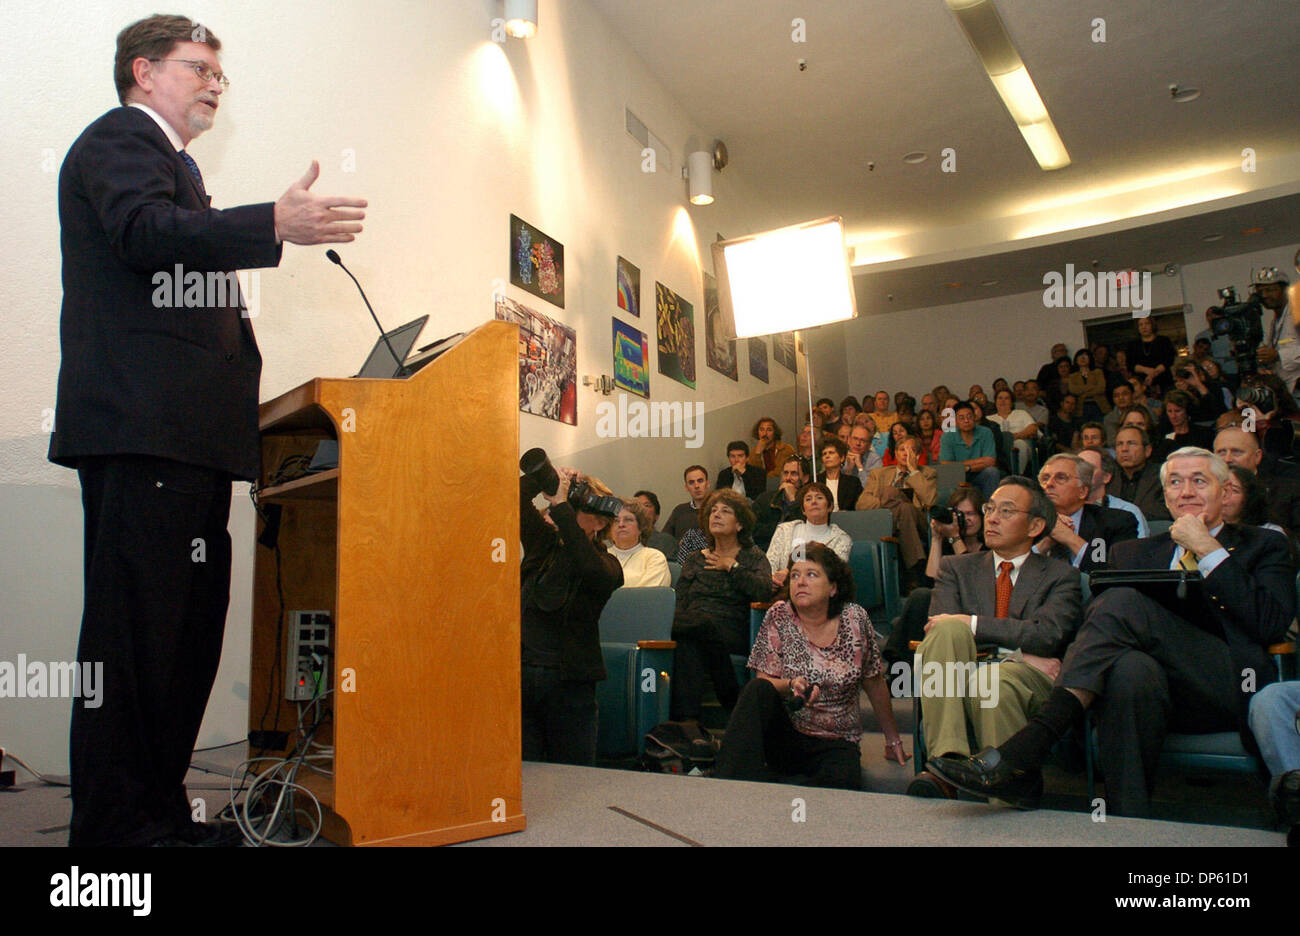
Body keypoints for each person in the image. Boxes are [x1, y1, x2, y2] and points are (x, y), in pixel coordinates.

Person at [49, 15, 367, 848]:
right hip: (144, 431)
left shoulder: (176, 167)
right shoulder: (124, 137)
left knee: (181, 643)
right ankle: (117, 833)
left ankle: (156, 818)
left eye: (220, 74)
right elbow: (144, 236)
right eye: (198, 68)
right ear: (143, 72)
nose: (215, 83)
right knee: (137, 644)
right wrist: (271, 224)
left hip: (185, 442)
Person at [930, 447, 1296, 816]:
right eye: (1174, 482)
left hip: (1229, 683)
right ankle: (1127, 820)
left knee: (1122, 602)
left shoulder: (1265, 545)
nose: (1186, 491)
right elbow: (1100, 632)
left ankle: (1032, 744)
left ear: (1224, 490)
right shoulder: (1132, 552)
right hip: (1151, 689)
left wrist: (1206, 547)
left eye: (1199, 481)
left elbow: (1269, 623)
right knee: (1128, 670)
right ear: (1165, 496)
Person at [908, 477, 1082, 801]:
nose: (992, 517)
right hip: (984, 670)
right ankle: (949, 759)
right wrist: (1018, 654)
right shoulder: (955, 568)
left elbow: (1046, 636)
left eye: (1006, 510)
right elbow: (940, 633)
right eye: (990, 509)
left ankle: (1007, 790)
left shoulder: (1061, 576)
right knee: (951, 633)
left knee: (993, 677)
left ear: (1035, 526)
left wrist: (973, 624)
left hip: (1033, 681)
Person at [713, 543, 908, 789]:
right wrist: (791, 684)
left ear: (833, 588)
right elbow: (764, 682)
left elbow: (874, 681)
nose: (800, 582)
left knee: (839, 785)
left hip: (836, 740)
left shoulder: (855, 619)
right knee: (756, 690)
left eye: (811, 575)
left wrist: (893, 740)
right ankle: (724, 787)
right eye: (795, 575)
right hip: (788, 733)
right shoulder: (779, 615)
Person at [521, 467, 624, 765]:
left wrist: (561, 506)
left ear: (601, 521)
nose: (561, 512)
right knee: (525, 773)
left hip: (569, 684)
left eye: (574, 508)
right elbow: (513, 499)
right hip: (523, 674)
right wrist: (544, 477)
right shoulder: (543, 545)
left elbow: (586, 563)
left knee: (573, 775)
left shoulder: (608, 566)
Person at [669, 490, 774, 732]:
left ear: (739, 524)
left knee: (696, 628)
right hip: (695, 629)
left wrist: (732, 567)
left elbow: (762, 592)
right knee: (689, 637)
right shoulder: (695, 559)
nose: (716, 515)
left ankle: (688, 723)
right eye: (713, 511)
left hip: (732, 629)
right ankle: (698, 719)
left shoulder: (752, 557)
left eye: (725, 511)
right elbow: (681, 602)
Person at [883, 486, 987, 665]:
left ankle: (899, 665)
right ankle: (902, 666)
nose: (965, 520)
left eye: (971, 514)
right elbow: (931, 581)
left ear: (982, 516)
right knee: (922, 595)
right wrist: (937, 539)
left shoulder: (989, 545)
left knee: (920, 599)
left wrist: (955, 538)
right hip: (946, 604)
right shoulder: (949, 541)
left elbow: (972, 578)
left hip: (975, 606)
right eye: (960, 514)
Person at [856, 436, 938, 585]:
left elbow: (930, 501)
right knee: (901, 505)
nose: (906, 454)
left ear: (918, 455)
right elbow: (861, 504)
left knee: (895, 498)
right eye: (902, 450)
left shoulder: (927, 473)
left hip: (918, 522)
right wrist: (888, 500)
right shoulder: (879, 474)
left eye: (911, 450)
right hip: (888, 523)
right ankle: (915, 570)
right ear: (895, 453)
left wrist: (913, 471)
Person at [1035, 454, 1137, 572]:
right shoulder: (1027, 523)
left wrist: (1069, 538)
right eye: (1045, 478)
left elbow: (1116, 574)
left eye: (1061, 478)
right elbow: (1013, 574)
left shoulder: (1116, 522)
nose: (1049, 484)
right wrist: (1044, 544)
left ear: (1082, 491)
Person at [767, 483, 852, 587]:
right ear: (803, 510)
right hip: (781, 592)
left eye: (819, 498)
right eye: (808, 499)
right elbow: (768, 567)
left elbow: (833, 575)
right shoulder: (785, 530)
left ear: (830, 507)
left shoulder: (842, 539)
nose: (814, 502)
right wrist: (773, 580)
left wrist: (790, 575)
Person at [1077, 447, 1149, 538]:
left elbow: (1136, 551)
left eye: (1088, 469)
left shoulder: (1127, 511)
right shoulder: (1062, 509)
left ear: (1106, 477)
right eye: (1077, 469)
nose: (1080, 474)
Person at [939, 400, 1001, 498]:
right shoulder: (947, 436)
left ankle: (990, 508)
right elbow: (946, 465)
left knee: (992, 472)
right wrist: (978, 463)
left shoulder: (986, 432)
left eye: (969, 416)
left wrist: (967, 468)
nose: (966, 421)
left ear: (974, 417)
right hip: (957, 476)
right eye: (961, 418)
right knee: (946, 477)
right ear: (955, 421)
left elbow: (990, 461)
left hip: (980, 474)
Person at [608, 499, 672, 587]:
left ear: (641, 527)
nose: (621, 524)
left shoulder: (654, 558)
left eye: (628, 520)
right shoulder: (599, 556)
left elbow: (647, 596)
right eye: (616, 520)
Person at [988, 387, 1037, 474]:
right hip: (998, 449)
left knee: (1019, 444)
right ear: (995, 402)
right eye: (1000, 398)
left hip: (1021, 445)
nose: (1003, 401)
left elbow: (1032, 429)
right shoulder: (989, 418)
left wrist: (1013, 437)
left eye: (1006, 398)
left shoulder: (1021, 413)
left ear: (1011, 402)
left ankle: (1017, 475)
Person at [1127, 315, 1176, 399]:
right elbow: (1130, 364)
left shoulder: (1164, 340)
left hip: (1164, 381)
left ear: (1152, 325)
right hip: (1142, 383)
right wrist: (1146, 370)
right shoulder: (1133, 344)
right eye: (1141, 325)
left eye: (1147, 323)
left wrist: (1153, 373)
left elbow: (1169, 359)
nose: (1144, 327)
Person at [663, 465, 711, 543]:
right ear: (686, 487)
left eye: (700, 481)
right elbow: (665, 539)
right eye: (691, 482)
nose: (696, 486)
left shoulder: (716, 510)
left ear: (708, 484)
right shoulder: (679, 511)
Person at [817, 437, 862, 512]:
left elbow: (858, 507)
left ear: (842, 458)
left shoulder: (853, 482)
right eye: (824, 454)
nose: (827, 456)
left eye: (831, 453)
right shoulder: (816, 481)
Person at [634, 489, 679, 558]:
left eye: (647, 505)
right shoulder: (624, 539)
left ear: (656, 516)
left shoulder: (666, 541)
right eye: (637, 505)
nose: (641, 509)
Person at [1068, 348, 1110, 421]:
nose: (1083, 358)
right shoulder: (1072, 376)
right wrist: (1092, 387)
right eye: (1080, 356)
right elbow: (1073, 390)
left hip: (1098, 405)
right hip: (1081, 406)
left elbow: (1101, 388)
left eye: (1086, 356)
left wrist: (1083, 392)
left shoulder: (1098, 372)